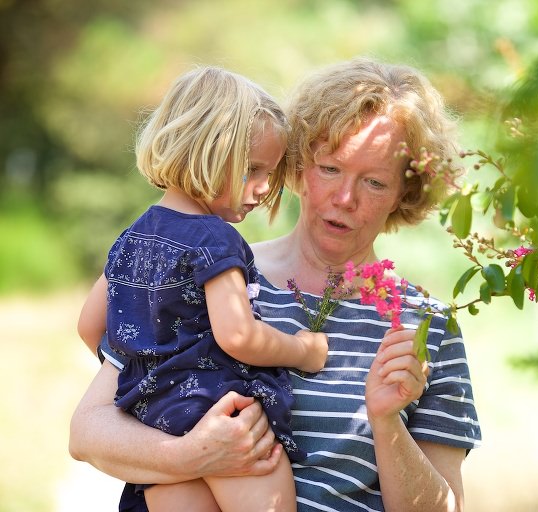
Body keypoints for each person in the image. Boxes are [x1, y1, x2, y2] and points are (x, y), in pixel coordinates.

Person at [70, 57, 482, 512]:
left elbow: (445, 507)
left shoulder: (426, 327)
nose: (345, 198)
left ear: (405, 193)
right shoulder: (214, 273)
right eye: (330, 169)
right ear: (299, 166)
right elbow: (88, 432)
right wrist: (191, 455)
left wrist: (386, 423)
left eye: (375, 182)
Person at [75, 65, 328, 512]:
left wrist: (149, 363)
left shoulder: (132, 236)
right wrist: (303, 350)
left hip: (152, 424)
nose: (264, 188)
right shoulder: (215, 238)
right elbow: (240, 336)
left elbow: (89, 325)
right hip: (226, 417)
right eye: (252, 169)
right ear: (205, 152)